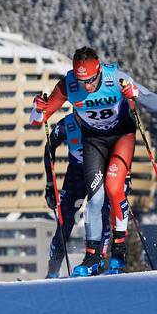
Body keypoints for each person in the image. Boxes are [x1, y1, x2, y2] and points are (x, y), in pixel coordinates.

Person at [30, 47, 157, 275]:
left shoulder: (115, 78)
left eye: (90, 80)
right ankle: (93, 258)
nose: (87, 86)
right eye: (82, 81)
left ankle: (118, 254)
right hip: (94, 141)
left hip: (121, 136)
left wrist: (136, 95)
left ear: (99, 70)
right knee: (95, 198)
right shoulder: (68, 84)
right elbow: (38, 120)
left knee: (113, 187)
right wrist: (37, 109)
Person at [41, 112, 115, 278]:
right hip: (76, 174)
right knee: (65, 220)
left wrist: (125, 177)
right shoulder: (66, 124)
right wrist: (50, 185)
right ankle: (53, 269)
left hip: (100, 172)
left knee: (102, 214)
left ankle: (98, 261)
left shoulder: (103, 119)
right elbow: (49, 148)